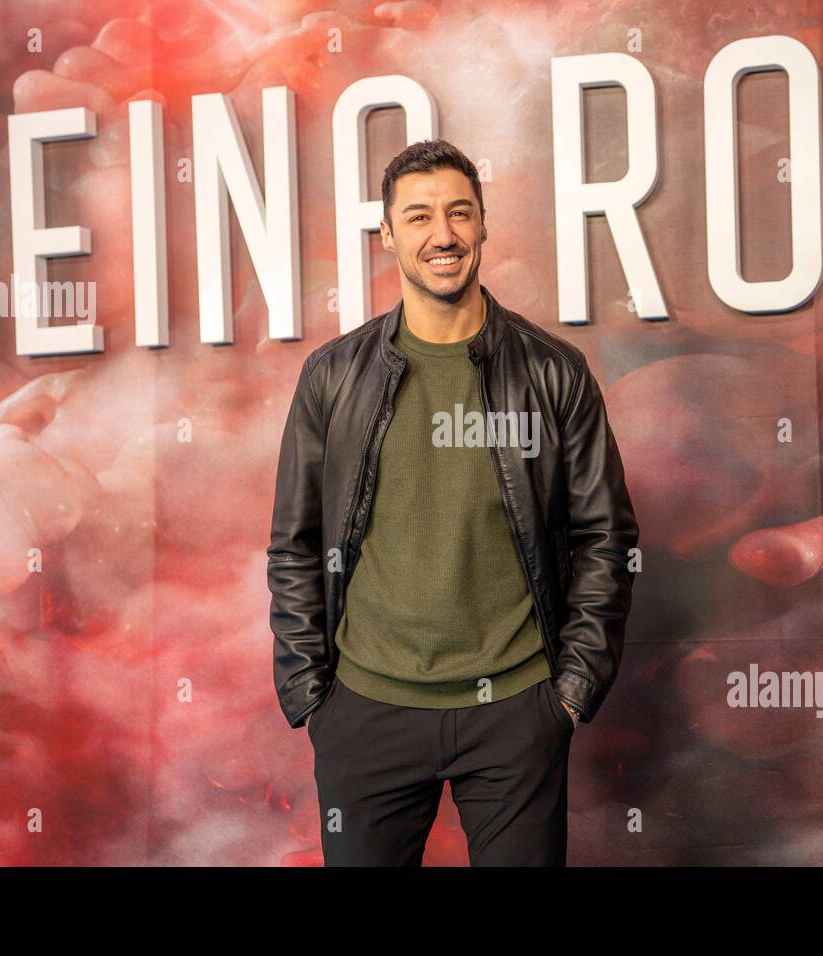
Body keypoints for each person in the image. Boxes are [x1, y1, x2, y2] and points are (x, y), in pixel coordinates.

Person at [267, 138, 638, 866]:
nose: (444, 234)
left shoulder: (552, 372)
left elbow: (606, 537)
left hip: (517, 710)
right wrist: (312, 693)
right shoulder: (331, 378)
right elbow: (295, 544)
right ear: (388, 234)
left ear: (483, 226)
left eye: (459, 213)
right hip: (366, 711)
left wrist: (569, 692)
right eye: (420, 216)